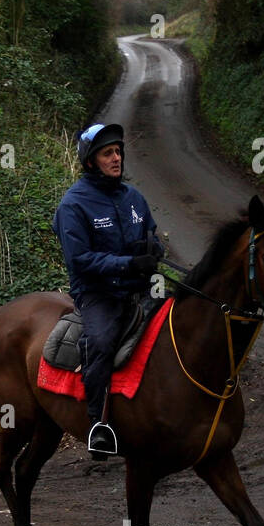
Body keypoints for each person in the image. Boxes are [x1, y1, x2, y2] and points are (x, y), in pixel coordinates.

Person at [51, 123, 163, 457]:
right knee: (99, 342)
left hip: (140, 288)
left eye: (118, 152)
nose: (116, 159)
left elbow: (152, 234)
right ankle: (98, 425)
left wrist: (153, 250)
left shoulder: (133, 197)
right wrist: (128, 265)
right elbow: (81, 260)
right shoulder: (73, 205)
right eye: (107, 153)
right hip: (99, 294)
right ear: (90, 161)